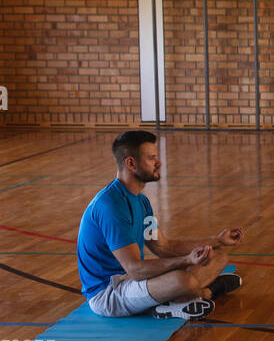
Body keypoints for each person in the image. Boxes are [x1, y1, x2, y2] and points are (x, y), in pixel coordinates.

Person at [76, 131, 244, 319]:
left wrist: (217, 240)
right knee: (183, 280)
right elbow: (135, 269)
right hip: (109, 293)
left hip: (133, 281)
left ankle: (184, 296)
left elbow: (164, 247)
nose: (159, 163)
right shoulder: (111, 206)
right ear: (131, 163)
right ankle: (203, 292)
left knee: (218, 256)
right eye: (151, 158)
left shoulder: (141, 202)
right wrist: (187, 260)